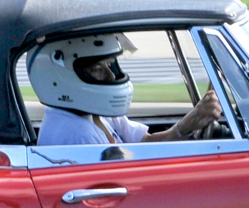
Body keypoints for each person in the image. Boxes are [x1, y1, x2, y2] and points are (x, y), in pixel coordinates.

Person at [29, 33, 222, 146]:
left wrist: (189, 124)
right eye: (97, 69)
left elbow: (144, 143)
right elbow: (130, 167)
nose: (111, 76)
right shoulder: (77, 134)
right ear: (62, 77)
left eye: (109, 66)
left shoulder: (96, 111)